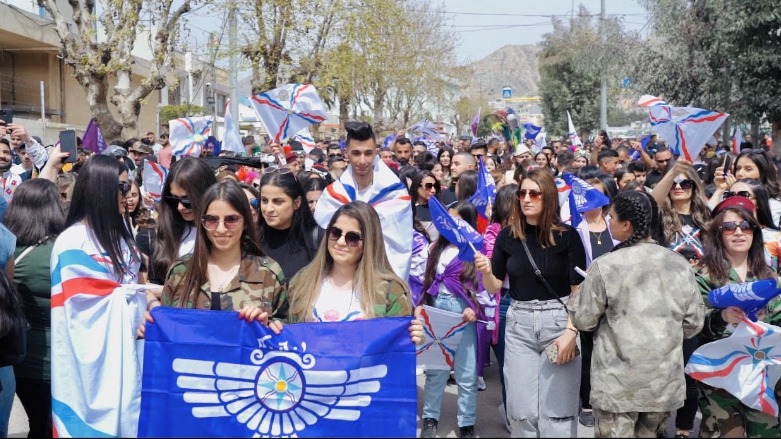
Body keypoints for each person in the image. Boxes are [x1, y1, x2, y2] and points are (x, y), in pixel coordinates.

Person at [570, 190, 705, 438]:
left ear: (626, 224)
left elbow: (584, 320)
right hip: (661, 384)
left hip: (617, 386)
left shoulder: (606, 265)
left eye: (611, 217)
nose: (608, 222)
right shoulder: (679, 264)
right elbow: (694, 323)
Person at [476, 168, 586, 438]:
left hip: (559, 324)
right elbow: (494, 287)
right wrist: (486, 271)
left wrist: (571, 332)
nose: (525, 199)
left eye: (534, 193)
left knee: (557, 415)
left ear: (547, 197)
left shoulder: (568, 237)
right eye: (521, 193)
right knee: (521, 412)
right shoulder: (507, 237)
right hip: (519, 324)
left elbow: (579, 293)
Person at [50, 154, 145, 437]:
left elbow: (131, 284)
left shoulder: (121, 235)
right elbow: (84, 305)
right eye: (123, 187)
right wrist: (142, 293)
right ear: (101, 189)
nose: (128, 195)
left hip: (129, 352)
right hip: (90, 366)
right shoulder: (72, 241)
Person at [695, 196, 781, 438]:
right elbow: (693, 322)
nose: (739, 232)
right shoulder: (703, 275)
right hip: (720, 373)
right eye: (729, 227)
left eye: (746, 226)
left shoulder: (768, 275)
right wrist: (723, 316)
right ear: (718, 233)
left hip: (761, 373)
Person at [146, 180, 285, 324]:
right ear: (202, 222)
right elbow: (166, 328)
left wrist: (267, 326)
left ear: (245, 222)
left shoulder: (268, 274)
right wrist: (150, 329)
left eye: (231, 219)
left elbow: (288, 331)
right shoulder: (180, 272)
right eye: (211, 220)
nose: (221, 229)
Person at [3, 179, 64, 438]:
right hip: (50, 360)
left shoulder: (7, 247)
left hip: (15, 357)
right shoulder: (57, 253)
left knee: (37, 424)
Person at [314, 122, 413, 280]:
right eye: (356, 153)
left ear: (376, 152)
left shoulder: (395, 197)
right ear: (346, 153)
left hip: (378, 281)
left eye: (368, 153)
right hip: (340, 280)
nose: (362, 160)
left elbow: (399, 249)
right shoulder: (332, 196)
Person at [287, 201, 412, 323]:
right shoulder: (301, 282)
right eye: (335, 232)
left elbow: (399, 340)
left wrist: (415, 335)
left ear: (369, 243)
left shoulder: (391, 291)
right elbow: (288, 333)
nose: (340, 242)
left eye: (352, 238)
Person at [420, 202, 483, 439]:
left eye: (456, 220)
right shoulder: (436, 248)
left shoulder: (476, 250)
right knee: (437, 369)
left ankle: (467, 422)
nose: (450, 225)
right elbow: (426, 280)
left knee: (466, 372)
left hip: (464, 313)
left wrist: (474, 308)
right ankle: (430, 418)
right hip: (438, 310)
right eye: (448, 220)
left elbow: (485, 287)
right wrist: (422, 308)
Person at [138, 157, 217, 286]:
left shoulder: (223, 232)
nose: (180, 207)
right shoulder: (163, 231)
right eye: (174, 199)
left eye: (187, 200)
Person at [258, 169, 320, 281]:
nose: (268, 209)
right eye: (264, 200)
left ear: (297, 203)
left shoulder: (317, 239)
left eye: (278, 201)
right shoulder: (251, 241)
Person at [651, 161, 710, 262]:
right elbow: (651, 202)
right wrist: (672, 173)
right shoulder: (660, 215)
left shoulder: (706, 214)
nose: (678, 187)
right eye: (673, 184)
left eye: (685, 183)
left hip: (702, 275)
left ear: (694, 186)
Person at [410, 170, 441, 241]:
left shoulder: (441, 209)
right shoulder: (409, 211)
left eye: (435, 186)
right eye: (428, 186)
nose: (433, 190)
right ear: (417, 187)